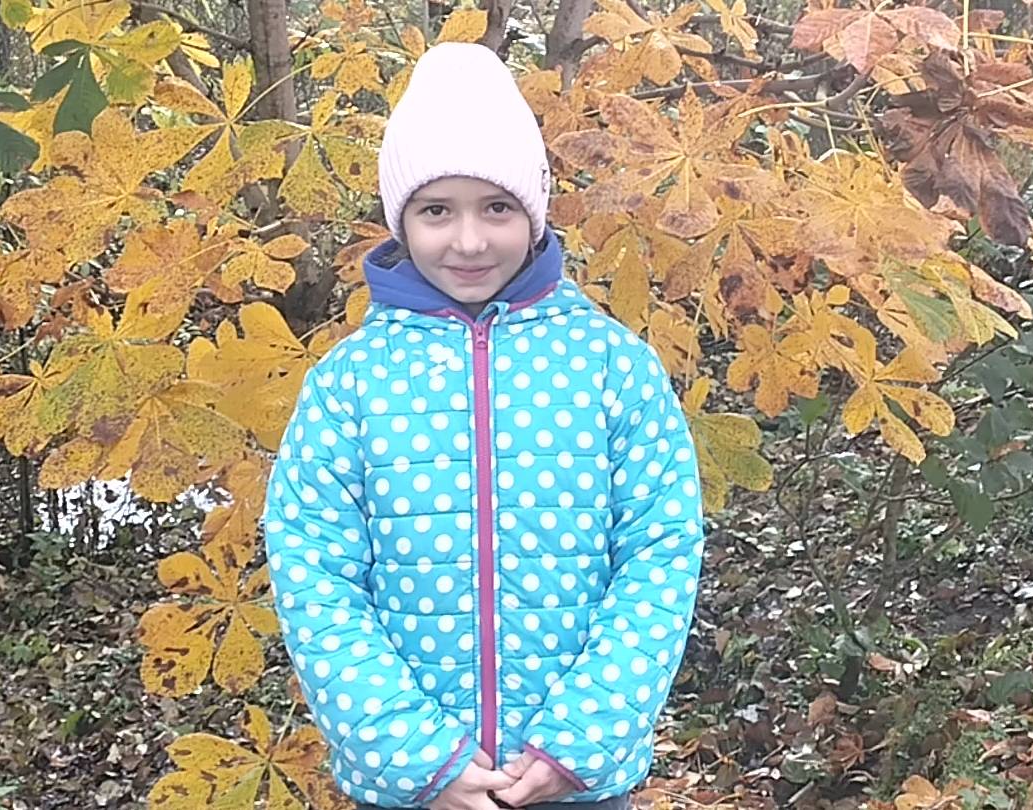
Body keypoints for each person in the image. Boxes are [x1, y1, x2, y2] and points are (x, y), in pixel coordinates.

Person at [262, 42, 705, 810]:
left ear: (533, 214)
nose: (468, 241)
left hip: (574, 787)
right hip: (412, 789)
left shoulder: (612, 367)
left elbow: (659, 555)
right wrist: (415, 757)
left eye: (496, 207)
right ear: (402, 221)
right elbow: (314, 575)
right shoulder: (349, 384)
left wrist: (578, 743)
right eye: (437, 210)